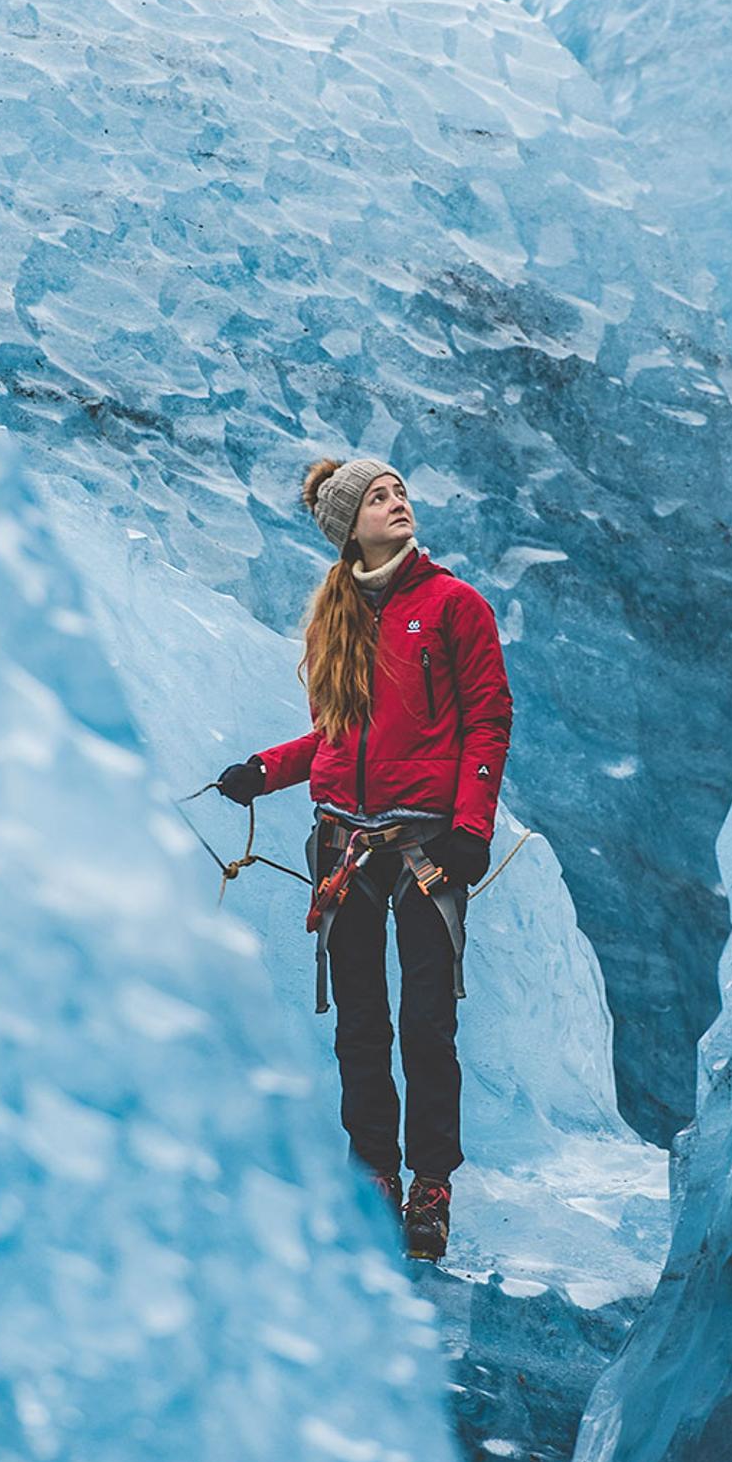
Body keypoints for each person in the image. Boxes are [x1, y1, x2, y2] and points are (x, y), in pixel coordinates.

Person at [214, 457, 512, 1262]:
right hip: (343, 842)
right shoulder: (333, 623)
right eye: (379, 497)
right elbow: (333, 739)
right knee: (360, 1026)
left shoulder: (455, 606)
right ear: (349, 526)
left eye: (400, 491)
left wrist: (472, 828)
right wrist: (264, 771)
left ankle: (431, 1187)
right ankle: (374, 1174)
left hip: (426, 845)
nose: (398, 502)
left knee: (426, 1022)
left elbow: (488, 717)